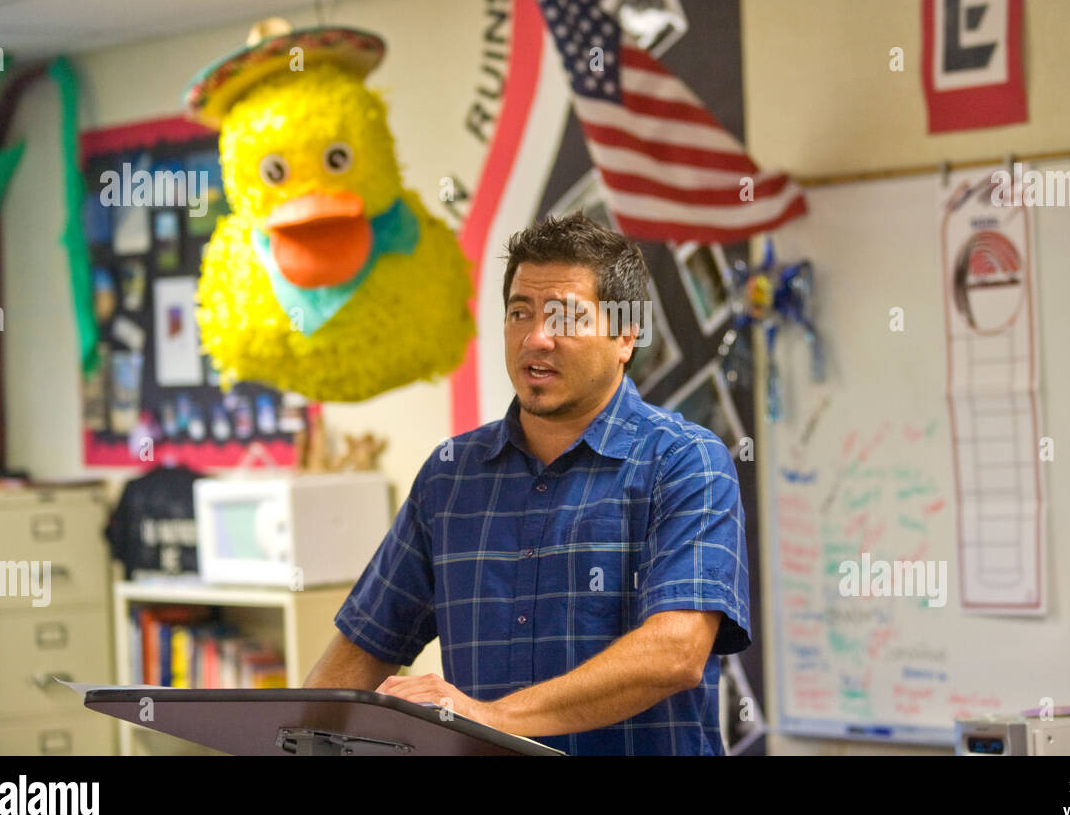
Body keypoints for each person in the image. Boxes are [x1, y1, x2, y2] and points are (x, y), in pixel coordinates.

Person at [304, 214, 751, 754]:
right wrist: (293, 734)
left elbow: (673, 654)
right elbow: (365, 647)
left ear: (626, 335)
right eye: (521, 313)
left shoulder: (685, 462)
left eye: (565, 316)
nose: (537, 338)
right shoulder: (450, 475)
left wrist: (486, 717)